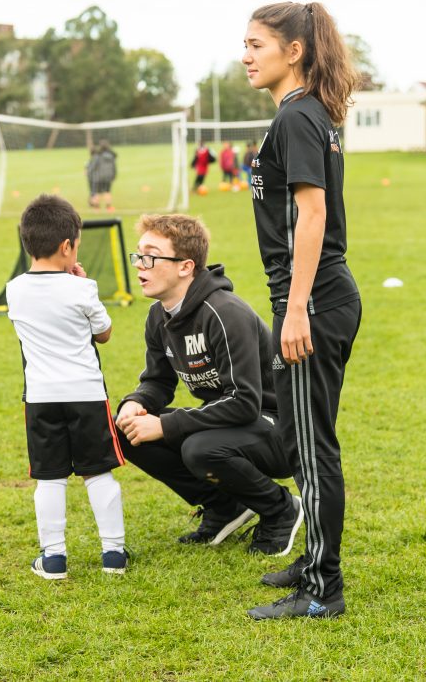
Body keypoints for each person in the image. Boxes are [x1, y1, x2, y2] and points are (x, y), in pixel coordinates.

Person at [241, 2, 363, 621]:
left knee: (312, 449)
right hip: (310, 299)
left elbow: (312, 217)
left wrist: (294, 311)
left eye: (257, 44)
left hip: (314, 302)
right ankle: (313, 555)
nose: (246, 55)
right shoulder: (298, 115)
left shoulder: (299, 117)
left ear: (294, 51)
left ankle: (323, 589)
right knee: (297, 439)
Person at [115, 214, 303, 556]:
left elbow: (245, 401)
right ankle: (224, 507)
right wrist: (136, 402)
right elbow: (158, 380)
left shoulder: (224, 313)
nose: (140, 265)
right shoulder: (159, 315)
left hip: (278, 427)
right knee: (127, 431)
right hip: (229, 422)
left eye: (152, 256)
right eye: (138, 255)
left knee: (199, 448)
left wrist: (166, 424)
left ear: (186, 266)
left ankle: (281, 510)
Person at [5, 194, 129, 580]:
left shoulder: (14, 291)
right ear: (68, 246)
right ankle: (114, 553)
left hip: (42, 398)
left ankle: (54, 557)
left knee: (50, 478)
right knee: (99, 474)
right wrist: (82, 283)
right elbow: (104, 334)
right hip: (88, 395)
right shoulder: (83, 289)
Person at [90, 140, 117, 211]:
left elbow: (93, 166)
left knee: (97, 192)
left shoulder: (98, 155)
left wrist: (89, 173)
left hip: (99, 177)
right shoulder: (112, 156)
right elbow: (114, 167)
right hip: (108, 177)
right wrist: (114, 175)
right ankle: (108, 208)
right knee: (107, 191)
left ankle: (96, 209)